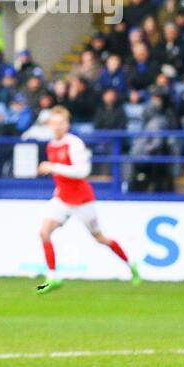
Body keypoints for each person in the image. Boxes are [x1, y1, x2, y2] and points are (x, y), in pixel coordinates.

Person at [35, 107, 140, 293]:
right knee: (44, 232)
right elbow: (61, 175)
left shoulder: (74, 144)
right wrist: (57, 185)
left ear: (67, 125)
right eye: (54, 123)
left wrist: (53, 167)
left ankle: (131, 265)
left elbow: (82, 171)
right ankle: (52, 277)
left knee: (99, 238)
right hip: (62, 198)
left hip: (82, 200)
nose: (57, 127)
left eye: (61, 123)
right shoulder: (51, 145)